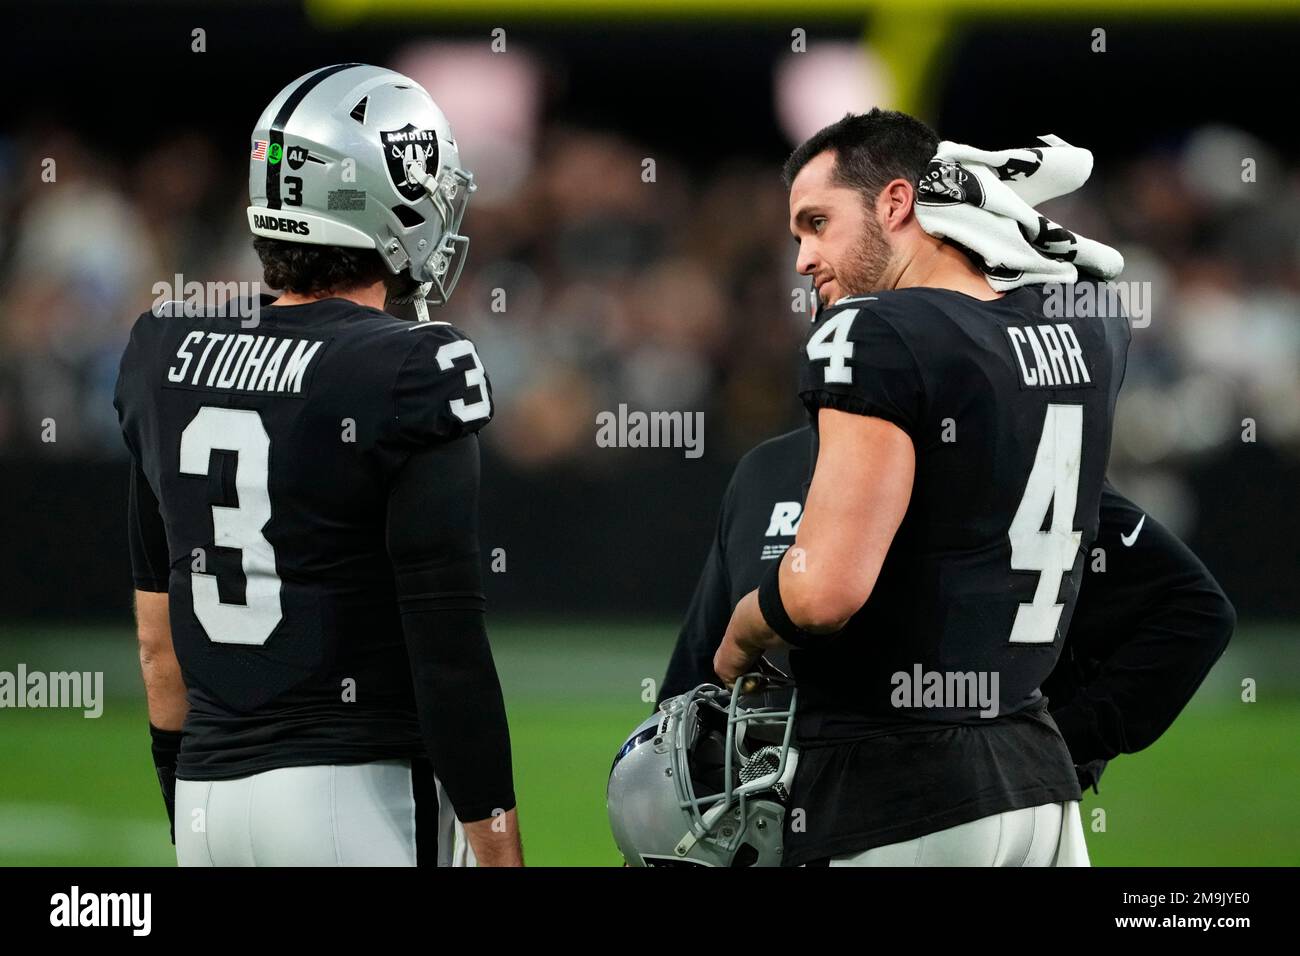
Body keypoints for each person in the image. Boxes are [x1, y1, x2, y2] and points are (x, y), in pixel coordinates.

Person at [114, 64, 521, 866]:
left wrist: (189, 808)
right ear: (380, 200)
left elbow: (159, 645)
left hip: (208, 794)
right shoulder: (412, 367)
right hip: (355, 796)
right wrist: (499, 845)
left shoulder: (163, 349)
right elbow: (446, 649)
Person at [714, 109, 1134, 866]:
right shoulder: (1091, 323)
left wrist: (743, 628)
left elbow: (822, 594)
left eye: (817, 223)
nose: (804, 259)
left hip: (900, 796)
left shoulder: (872, 329)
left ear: (897, 203)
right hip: (1037, 785)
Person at [660, 425, 1235, 815]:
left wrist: (1059, 741)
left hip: (951, 814)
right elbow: (693, 681)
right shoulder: (767, 469)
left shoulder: (987, 456)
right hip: (767, 824)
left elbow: (1192, 611)